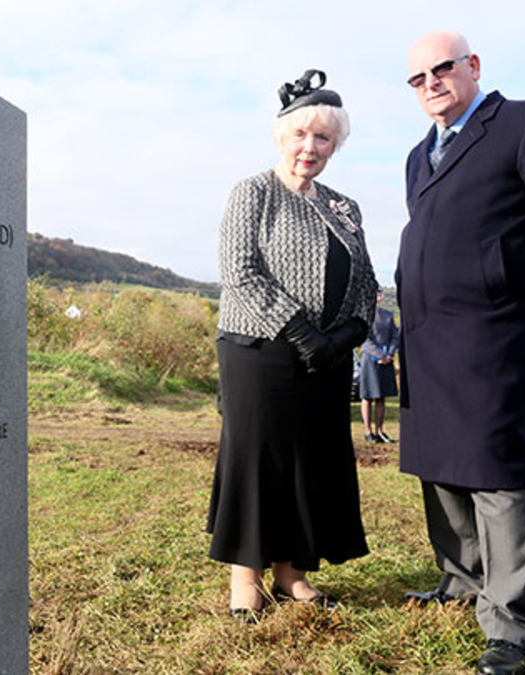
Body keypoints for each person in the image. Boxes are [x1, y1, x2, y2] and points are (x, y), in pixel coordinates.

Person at [396, 31, 525, 674]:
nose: (430, 82)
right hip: (426, 335)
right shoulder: (415, 156)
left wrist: (518, 286)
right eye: (417, 77)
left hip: (490, 332)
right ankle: (460, 578)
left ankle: (512, 626)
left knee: (493, 470)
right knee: (439, 462)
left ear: (473, 66)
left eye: (442, 69)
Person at [207, 69, 379, 619]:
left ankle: (293, 574)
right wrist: (300, 331)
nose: (311, 147)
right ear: (283, 136)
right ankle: (246, 579)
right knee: (258, 461)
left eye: (323, 138)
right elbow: (241, 271)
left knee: (312, 463)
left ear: (335, 144)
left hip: (327, 357)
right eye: (302, 135)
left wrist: (348, 334)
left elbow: (368, 283)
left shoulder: (345, 207)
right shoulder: (253, 192)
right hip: (260, 351)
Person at [360, 290, 399, 443]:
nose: (378, 297)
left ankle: (380, 431)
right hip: (370, 359)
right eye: (375, 294)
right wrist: (380, 355)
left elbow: (395, 336)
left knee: (381, 397)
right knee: (368, 396)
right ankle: (368, 432)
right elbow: (364, 339)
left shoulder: (388, 315)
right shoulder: (363, 315)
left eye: (380, 294)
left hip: (386, 359)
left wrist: (389, 354)